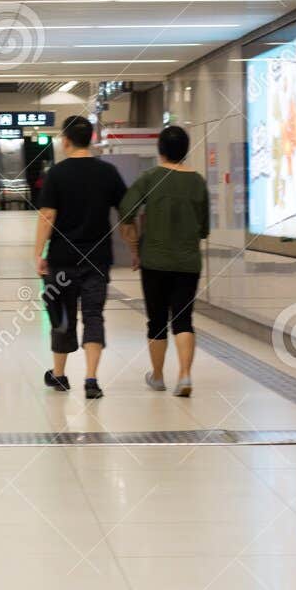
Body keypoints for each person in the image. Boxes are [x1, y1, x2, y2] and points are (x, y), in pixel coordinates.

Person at [35, 116, 127, 400]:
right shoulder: (108, 172)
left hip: (62, 259)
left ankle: (60, 376)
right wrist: (134, 245)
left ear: (65, 140)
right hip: (97, 260)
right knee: (93, 315)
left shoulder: (57, 174)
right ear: (91, 138)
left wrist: (38, 252)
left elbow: (48, 215)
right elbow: (127, 211)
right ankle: (91, 379)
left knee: (62, 316)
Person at [119, 124, 210, 397]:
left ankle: (158, 376)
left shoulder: (150, 178)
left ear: (160, 150)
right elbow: (204, 228)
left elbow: (126, 211)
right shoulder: (198, 182)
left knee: (156, 320)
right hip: (188, 262)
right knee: (183, 319)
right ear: (186, 150)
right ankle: (184, 376)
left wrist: (134, 248)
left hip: (154, 261)